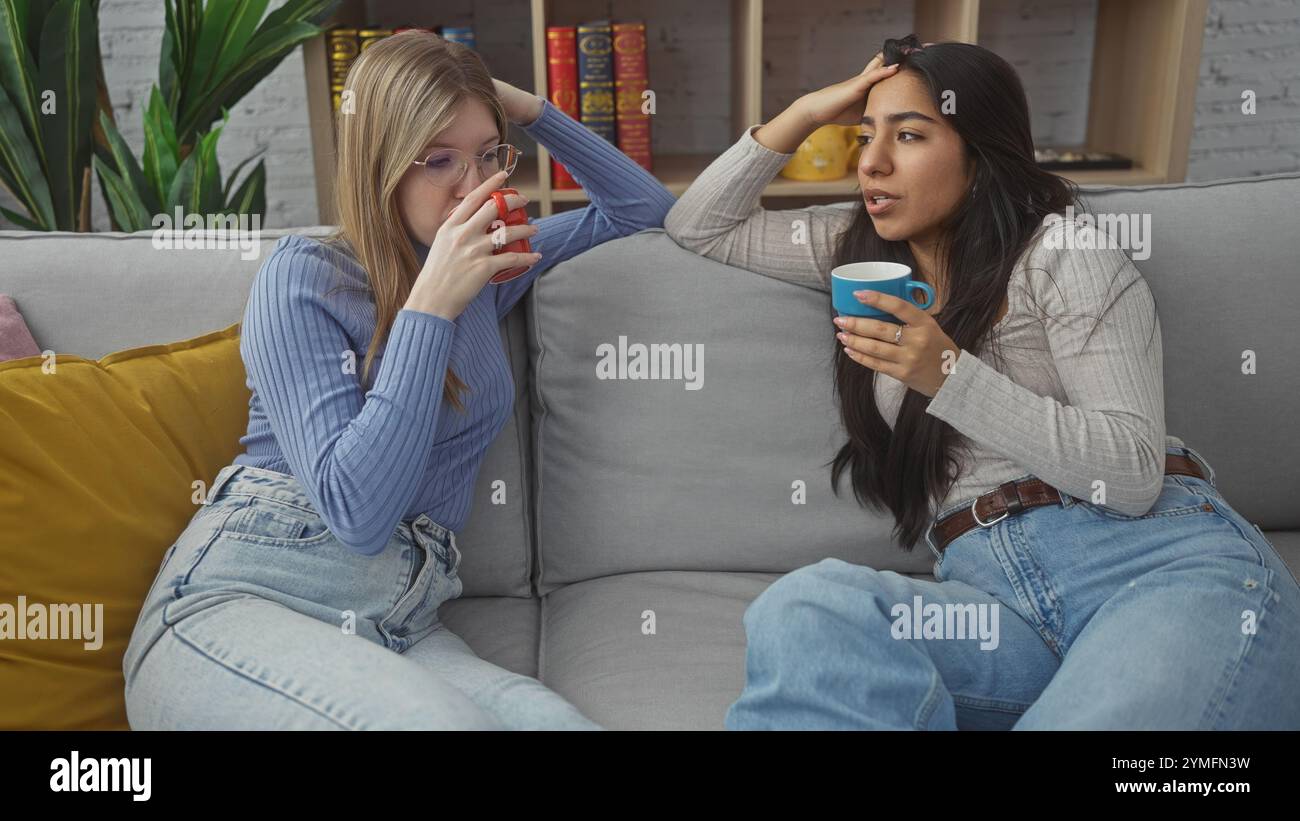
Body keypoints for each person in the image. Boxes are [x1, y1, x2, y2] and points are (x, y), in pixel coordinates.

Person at [664, 34, 1300, 729]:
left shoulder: (1062, 253)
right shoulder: (858, 252)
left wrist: (946, 371)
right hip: (993, 602)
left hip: (1152, 570)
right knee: (808, 606)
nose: (870, 161)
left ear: (981, 150)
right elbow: (700, 225)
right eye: (864, 135)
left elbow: (1133, 472)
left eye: (908, 135)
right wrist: (812, 110)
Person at [122, 31, 675, 730]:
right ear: (380, 161)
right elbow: (357, 512)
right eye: (439, 159)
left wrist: (526, 106)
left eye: (485, 156)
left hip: (402, 620)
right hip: (246, 597)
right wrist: (430, 306)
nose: (472, 187)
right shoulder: (304, 278)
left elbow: (644, 212)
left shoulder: (482, 274)